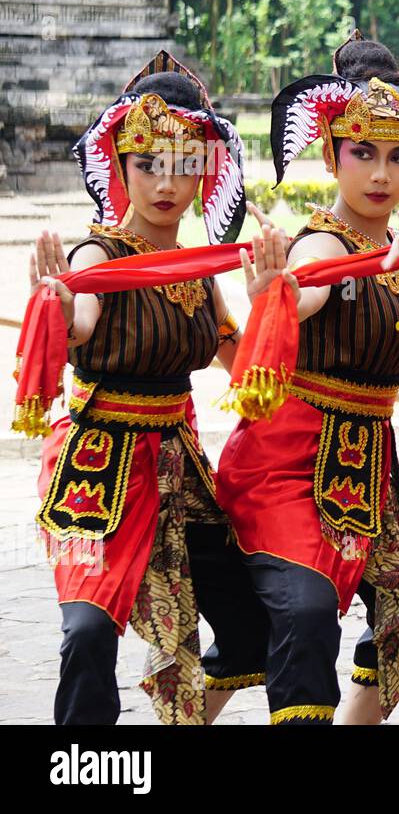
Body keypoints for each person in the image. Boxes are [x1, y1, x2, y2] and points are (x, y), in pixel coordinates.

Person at [202, 33, 399, 725]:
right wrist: (275, 287)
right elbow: (304, 290)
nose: (381, 174)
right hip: (288, 461)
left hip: (368, 470)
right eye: (363, 153)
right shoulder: (324, 241)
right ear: (334, 153)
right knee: (304, 614)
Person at [27, 51, 268, 724]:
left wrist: (272, 303)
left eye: (183, 166)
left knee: (251, 625)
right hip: (98, 469)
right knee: (88, 634)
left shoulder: (199, 270)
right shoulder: (96, 256)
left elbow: (245, 362)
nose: (165, 183)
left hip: (178, 474)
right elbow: (81, 320)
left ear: (203, 171)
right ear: (120, 165)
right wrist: (56, 300)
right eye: (147, 166)